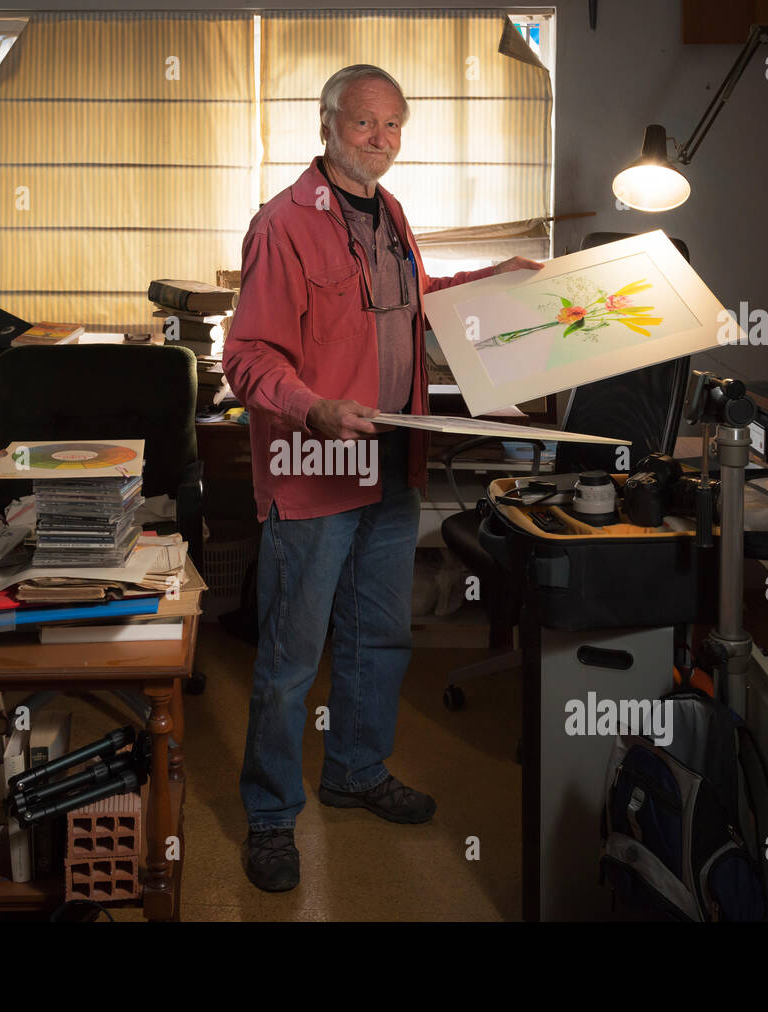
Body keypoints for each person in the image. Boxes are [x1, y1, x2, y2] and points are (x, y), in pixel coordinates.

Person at [222, 64, 543, 892]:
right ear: (327, 123)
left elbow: (416, 302)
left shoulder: (389, 212)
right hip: (315, 473)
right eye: (366, 124)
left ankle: (356, 772)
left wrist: (490, 282)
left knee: (378, 639)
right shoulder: (283, 224)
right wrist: (313, 409)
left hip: (391, 470)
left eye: (394, 126)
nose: (382, 139)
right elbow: (246, 357)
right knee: (292, 659)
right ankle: (268, 815)